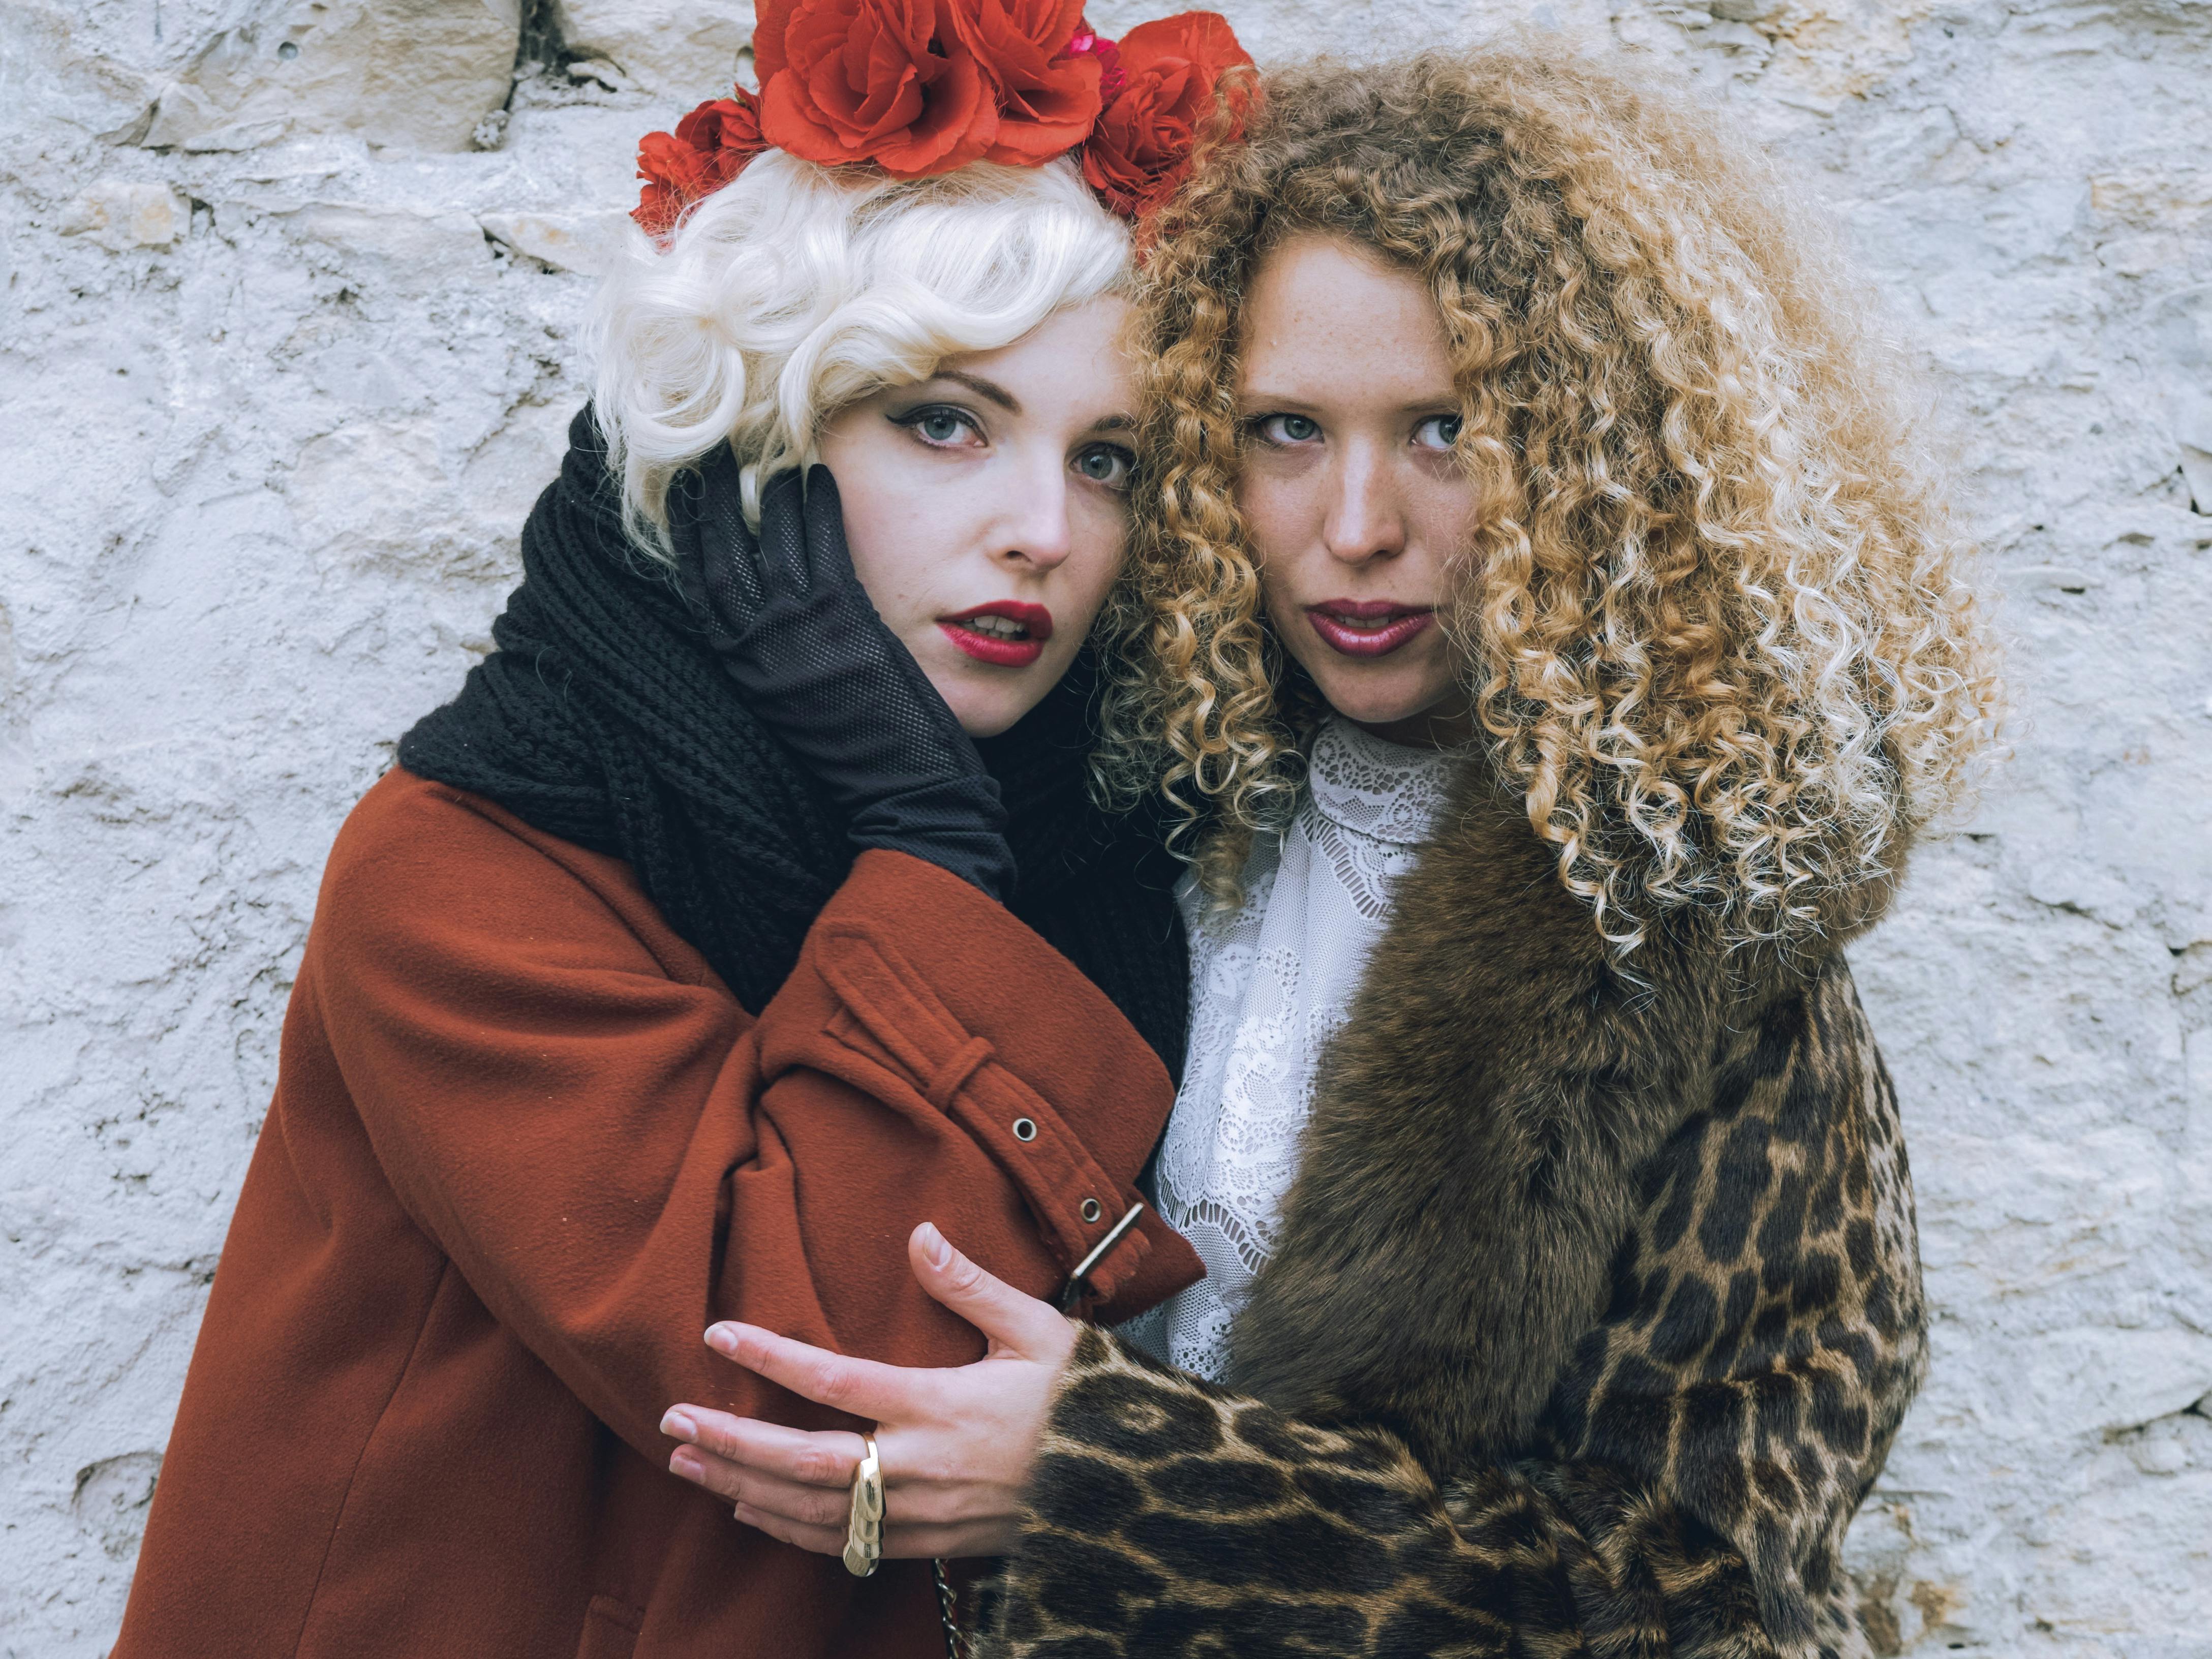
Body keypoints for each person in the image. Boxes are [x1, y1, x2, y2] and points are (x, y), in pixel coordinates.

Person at [654, 42, 2003, 1658]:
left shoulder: (1699, 942)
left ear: (1599, 458)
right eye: (1284, 430)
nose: (1357, 524)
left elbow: (1695, 1597)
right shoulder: (1123, 803)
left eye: (1445, 430)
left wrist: (1108, 1479)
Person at [110, 8, 1254, 1657]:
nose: (1044, 533)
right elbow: (835, 1364)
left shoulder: (1117, 834)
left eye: (1113, 460)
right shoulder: (462, 874)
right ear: (757, 453)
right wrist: (923, 831)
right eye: (943, 422)